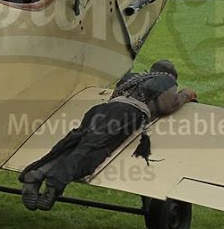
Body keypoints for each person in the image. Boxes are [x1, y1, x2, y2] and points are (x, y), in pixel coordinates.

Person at [19, 60, 197, 211]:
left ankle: (37, 172)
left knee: (72, 143)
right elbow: (165, 107)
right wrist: (185, 95)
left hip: (101, 110)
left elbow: (115, 95)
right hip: (125, 114)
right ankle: (55, 184)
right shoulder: (166, 81)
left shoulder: (131, 77)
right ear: (172, 75)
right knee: (92, 152)